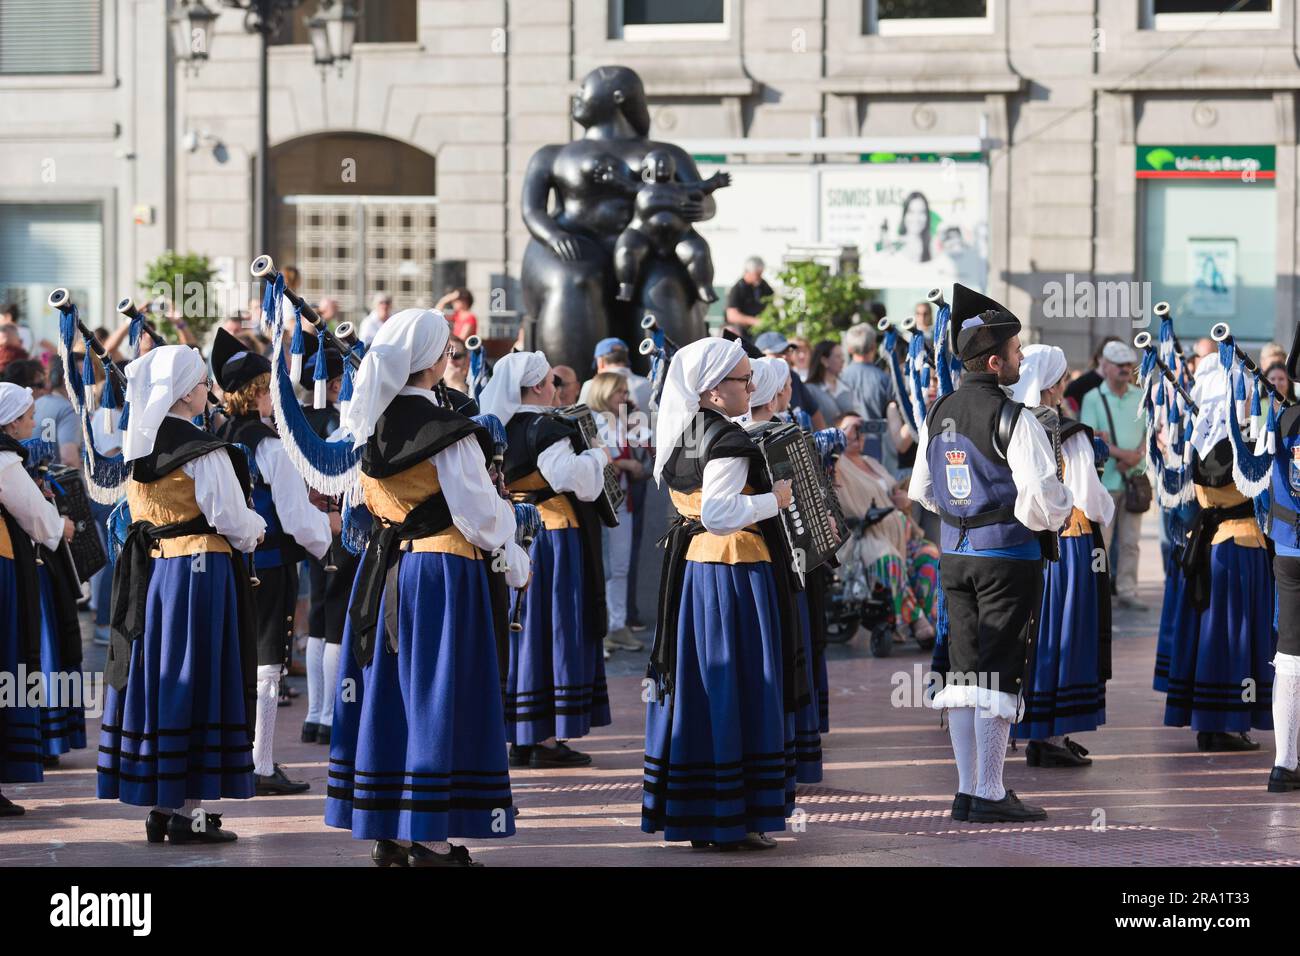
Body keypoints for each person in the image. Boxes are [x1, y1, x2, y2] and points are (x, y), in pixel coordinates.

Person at [325, 309, 529, 867]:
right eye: (446, 353)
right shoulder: (449, 434)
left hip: (388, 570)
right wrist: (512, 545)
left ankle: (388, 831)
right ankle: (431, 841)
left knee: (393, 696)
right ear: (435, 361)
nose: (450, 362)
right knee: (438, 696)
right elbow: (480, 517)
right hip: (443, 574)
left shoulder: (369, 426)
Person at [909, 283, 1073, 824]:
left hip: (954, 555)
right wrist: (1059, 506)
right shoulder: (1016, 418)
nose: (1022, 359)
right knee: (1000, 673)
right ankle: (990, 791)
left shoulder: (939, 412)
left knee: (963, 673)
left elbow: (925, 491)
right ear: (995, 359)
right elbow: (1042, 499)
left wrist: (963, 516)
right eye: (1018, 352)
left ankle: (967, 789)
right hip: (1007, 556)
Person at [97, 345, 266, 844]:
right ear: (180, 392)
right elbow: (232, 520)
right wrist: (257, 531)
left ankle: (165, 803)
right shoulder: (204, 451)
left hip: (156, 574)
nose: (204, 391)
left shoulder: (139, 448)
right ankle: (183, 811)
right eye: (197, 384)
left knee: (165, 678)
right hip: (200, 572)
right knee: (196, 679)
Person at [642, 337, 800, 850]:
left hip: (694, 573)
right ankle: (736, 814)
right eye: (742, 379)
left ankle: (702, 812)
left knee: (704, 687)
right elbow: (718, 512)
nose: (751, 387)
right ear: (712, 391)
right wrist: (772, 501)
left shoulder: (684, 434)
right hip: (734, 573)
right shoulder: (727, 441)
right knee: (741, 685)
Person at [212, 329, 333, 796]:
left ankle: (241, 756)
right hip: (272, 562)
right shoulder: (269, 444)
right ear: (261, 392)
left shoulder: (219, 435)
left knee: (240, 660)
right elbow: (295, 515)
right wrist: (328, 539)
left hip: (232, 562)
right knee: (268, 665)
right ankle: (260, 764)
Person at [482, 351, 612, 768]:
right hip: (553, 536)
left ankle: (521, 731)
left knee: (522, 631)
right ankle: (545, 735)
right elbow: (575, 481)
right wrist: (599, 454)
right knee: (554, 627)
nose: (557, 389)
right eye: (553, 382)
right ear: (539, 387)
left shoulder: (497, 426)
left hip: (515, 534)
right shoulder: (547, 428)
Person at [1163, 347, 1274, 752]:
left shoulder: (1197, 443)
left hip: (1209, 545)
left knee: (1213, 636)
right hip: (1240, 546)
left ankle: (1210, 721)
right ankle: (1227, 721)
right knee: (1236, 638)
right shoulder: (1241, 445)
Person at [1008, 345, 1114, 767]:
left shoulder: (1013, 424)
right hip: (1071, 546)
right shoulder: (1072, 434)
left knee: (1039, 637)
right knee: (1067, 636)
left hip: (1027, 545)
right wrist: (1107, 509)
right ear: (1054, 384)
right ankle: (1053, 734)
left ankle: (1037, 728)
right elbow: (1090, 498)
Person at [745, 356, 824, 783]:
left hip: (755, 557)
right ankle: (790, 756)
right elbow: (810, 506)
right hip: (789, 561)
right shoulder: (787, 436)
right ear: (778, 391)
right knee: (794, 648)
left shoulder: (733, 434)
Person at [0, 382, 74, 815]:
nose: (33, 421)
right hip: (4, 570)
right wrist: (59, 525)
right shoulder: (6, 461)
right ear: (10, 421)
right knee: (7, 664)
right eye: (27, 415)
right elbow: (38, 519)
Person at [296, 343, 351, 748]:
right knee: (334, 619)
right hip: (336, 523)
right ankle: (329, 715)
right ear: (334, 384)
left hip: (311, 528)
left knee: (319, 616)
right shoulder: (336, 422)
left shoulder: (299, 419)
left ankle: (316, 714)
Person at [1078, 340, 1146, 610]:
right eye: (1119, 365)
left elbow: (1148, 433)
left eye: (1129, 365)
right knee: (1102, 542)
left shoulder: (1139, 396)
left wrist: (1136, 456)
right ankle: (1100, 590)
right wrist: (1124, 455)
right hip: (1104, 481)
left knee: (1131, 542)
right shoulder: (1093, 398)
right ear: (1105, 366)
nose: (1125, 370)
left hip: (1133, 480)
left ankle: (1128, 589)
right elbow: (1090, 436)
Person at [586, 371, 644, 654]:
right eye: (619, 391)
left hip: (622, 501)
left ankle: (618, 624)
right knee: (608, 567)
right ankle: (606, 627)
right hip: (605, 502)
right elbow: (601, 458)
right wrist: (627, 466)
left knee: (620, 566)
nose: (625, 397)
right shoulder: (597, 420)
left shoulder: (619, 420)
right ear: (605, 393)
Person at [755, 331, 824, 429]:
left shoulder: (793, 377)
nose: (785, 356)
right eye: (778, 352)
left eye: (787, 351)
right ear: (760, 355)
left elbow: (814, 412)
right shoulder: (754, 382)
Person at [578, 338, 651, 413]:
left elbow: (579, 418)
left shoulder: (590, 386)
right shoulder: (647, 384)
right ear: (626, 360)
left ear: (600, 362)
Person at [840, 324, 893, 421]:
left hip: (847, 434)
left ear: (850, 349)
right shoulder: (884, 379)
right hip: (879, 434)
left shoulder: (840, 377)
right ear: (873, 346)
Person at [805, 340, 864, 426]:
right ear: (824, 361)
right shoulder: (810, 390)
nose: (843, 360)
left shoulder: (847, 388)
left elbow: (859, 417)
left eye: (842, 356)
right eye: (838, 356)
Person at [1062, 336, 1120, 414]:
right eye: (1111, 357)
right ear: (1099, 358)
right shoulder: (1078, 385)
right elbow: (1068, 412)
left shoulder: (1123, 383)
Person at [724, 256, 773, 338]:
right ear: (748, 272)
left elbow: (771, 302)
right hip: (741, 331)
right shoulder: (737, 289)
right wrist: (754, 321)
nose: (759, 277)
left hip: (759, 331)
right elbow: (732, 315)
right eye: (757, 274)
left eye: (761, 273)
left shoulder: (763, 285)